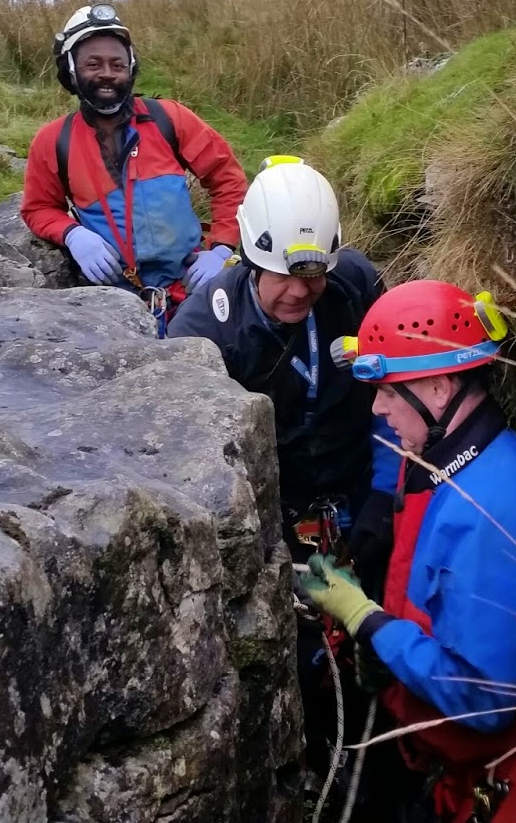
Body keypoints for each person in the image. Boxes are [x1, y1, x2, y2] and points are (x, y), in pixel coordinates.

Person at [298, 280, 516, 822]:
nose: (378, 408)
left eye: (390, 391)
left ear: (440, 387)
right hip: (469, 772)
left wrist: (369, 624)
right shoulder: (453, 469)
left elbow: (484, 701)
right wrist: (388, 658)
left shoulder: (499, 512)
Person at [168, 156, 407, 816]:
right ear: (247, 257)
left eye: (314, 276)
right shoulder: (205, 326)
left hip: (358, 494)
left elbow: (399, 394)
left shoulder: (354, 286)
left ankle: (378, 756)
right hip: (269, 509)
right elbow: (188, 452)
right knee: (299, 656)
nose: (302, 294)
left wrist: (384, 498)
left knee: (377, 637)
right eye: (285, 279)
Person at [21, 3, 248, 334]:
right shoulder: (54, 140)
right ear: (71, 70)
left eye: (117, 63)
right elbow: (38, 207)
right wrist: (73, 235)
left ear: (131, 66)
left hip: (193, 287)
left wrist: (221, 249)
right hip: (113, 302)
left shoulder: (169, 118)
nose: (107, 74)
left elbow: (228, 180)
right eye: (92, 64)